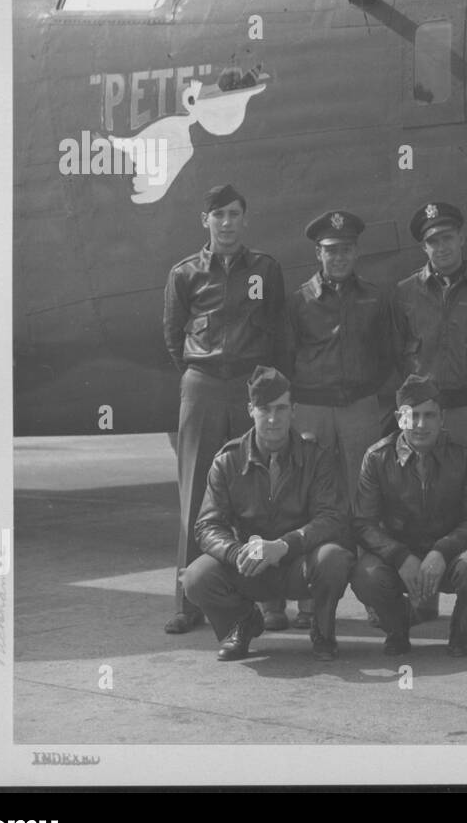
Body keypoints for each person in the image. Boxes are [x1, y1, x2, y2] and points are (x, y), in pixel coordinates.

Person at [162, 183, 286, 635]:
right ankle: (188, 601)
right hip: (204, 386)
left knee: (261, 489)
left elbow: (278, 331)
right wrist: (207, 373)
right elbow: (174, 336)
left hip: (252, 387)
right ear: (206, 221)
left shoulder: (266, 270)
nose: (228, 223)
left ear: (245, 219)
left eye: (235, 214)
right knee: (195, 492)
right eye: (219, 215)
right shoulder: (185, 273)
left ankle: (271, 601)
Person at [182, 367, 354, 662]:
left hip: (298, 562)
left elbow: (331, 517)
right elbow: (207, 525)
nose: (273, 418)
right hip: (251, 566)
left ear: (293, 411)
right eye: (264, 409)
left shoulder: (316, 456)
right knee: (196, 577)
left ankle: (322, 628)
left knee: (334, 558)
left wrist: (284, 545)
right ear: (251, 410)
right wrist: (238, 553)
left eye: (281, 409)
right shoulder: (228, 460)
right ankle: (242, 623)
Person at [391, 201, 467, 625]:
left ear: (461, 239)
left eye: (447, 238)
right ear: (424, 247)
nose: (440, 247)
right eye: (431, 241)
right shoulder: (405, 293)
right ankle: (425, 597)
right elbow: (398, 354)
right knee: (427, 501)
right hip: (426, 416)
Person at [275, 209, 392, 632]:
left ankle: (373, 597)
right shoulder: (299, 301)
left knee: (365, 504)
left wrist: (365, 393)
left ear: (356, 252)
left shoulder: (374, 298)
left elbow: (386, 355)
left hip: (359, 406)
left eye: (345, 250)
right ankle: (308, 600)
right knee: (309, 501)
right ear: (318, 254)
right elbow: (286, 356)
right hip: (312, 408)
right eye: (330, 251)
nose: (338, 257)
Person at [350, 375, 467, 657]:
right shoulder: (377, 458)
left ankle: (460, 628)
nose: (420, 424)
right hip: (401, 559)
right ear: (398, 418)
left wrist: (442, 551)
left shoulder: (465, 458)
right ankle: (397, 629)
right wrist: (399, 556)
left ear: (442, 418)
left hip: (449, 557)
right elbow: (364, 523)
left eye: (429, 416)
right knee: (365, 575)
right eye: (411, 416)